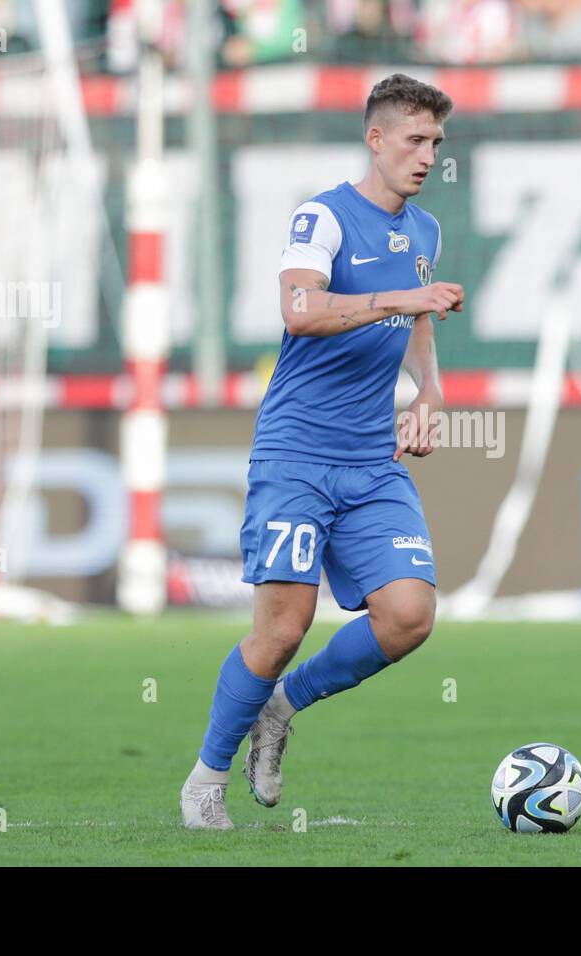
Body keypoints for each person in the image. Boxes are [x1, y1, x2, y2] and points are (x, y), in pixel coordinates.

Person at [180, 73, 464, 827]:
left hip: (372, 459)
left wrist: (429, 394)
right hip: (297, 455)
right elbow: (299, 311)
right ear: (375, 139)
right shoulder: (324, 218)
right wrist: (396, 300)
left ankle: (282, 708)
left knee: (408, 615)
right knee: (280, 630)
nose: (428, 155)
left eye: (436, 141)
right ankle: (206, 778)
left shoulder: (426, 234)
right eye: (414, 139)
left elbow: (423, 319)